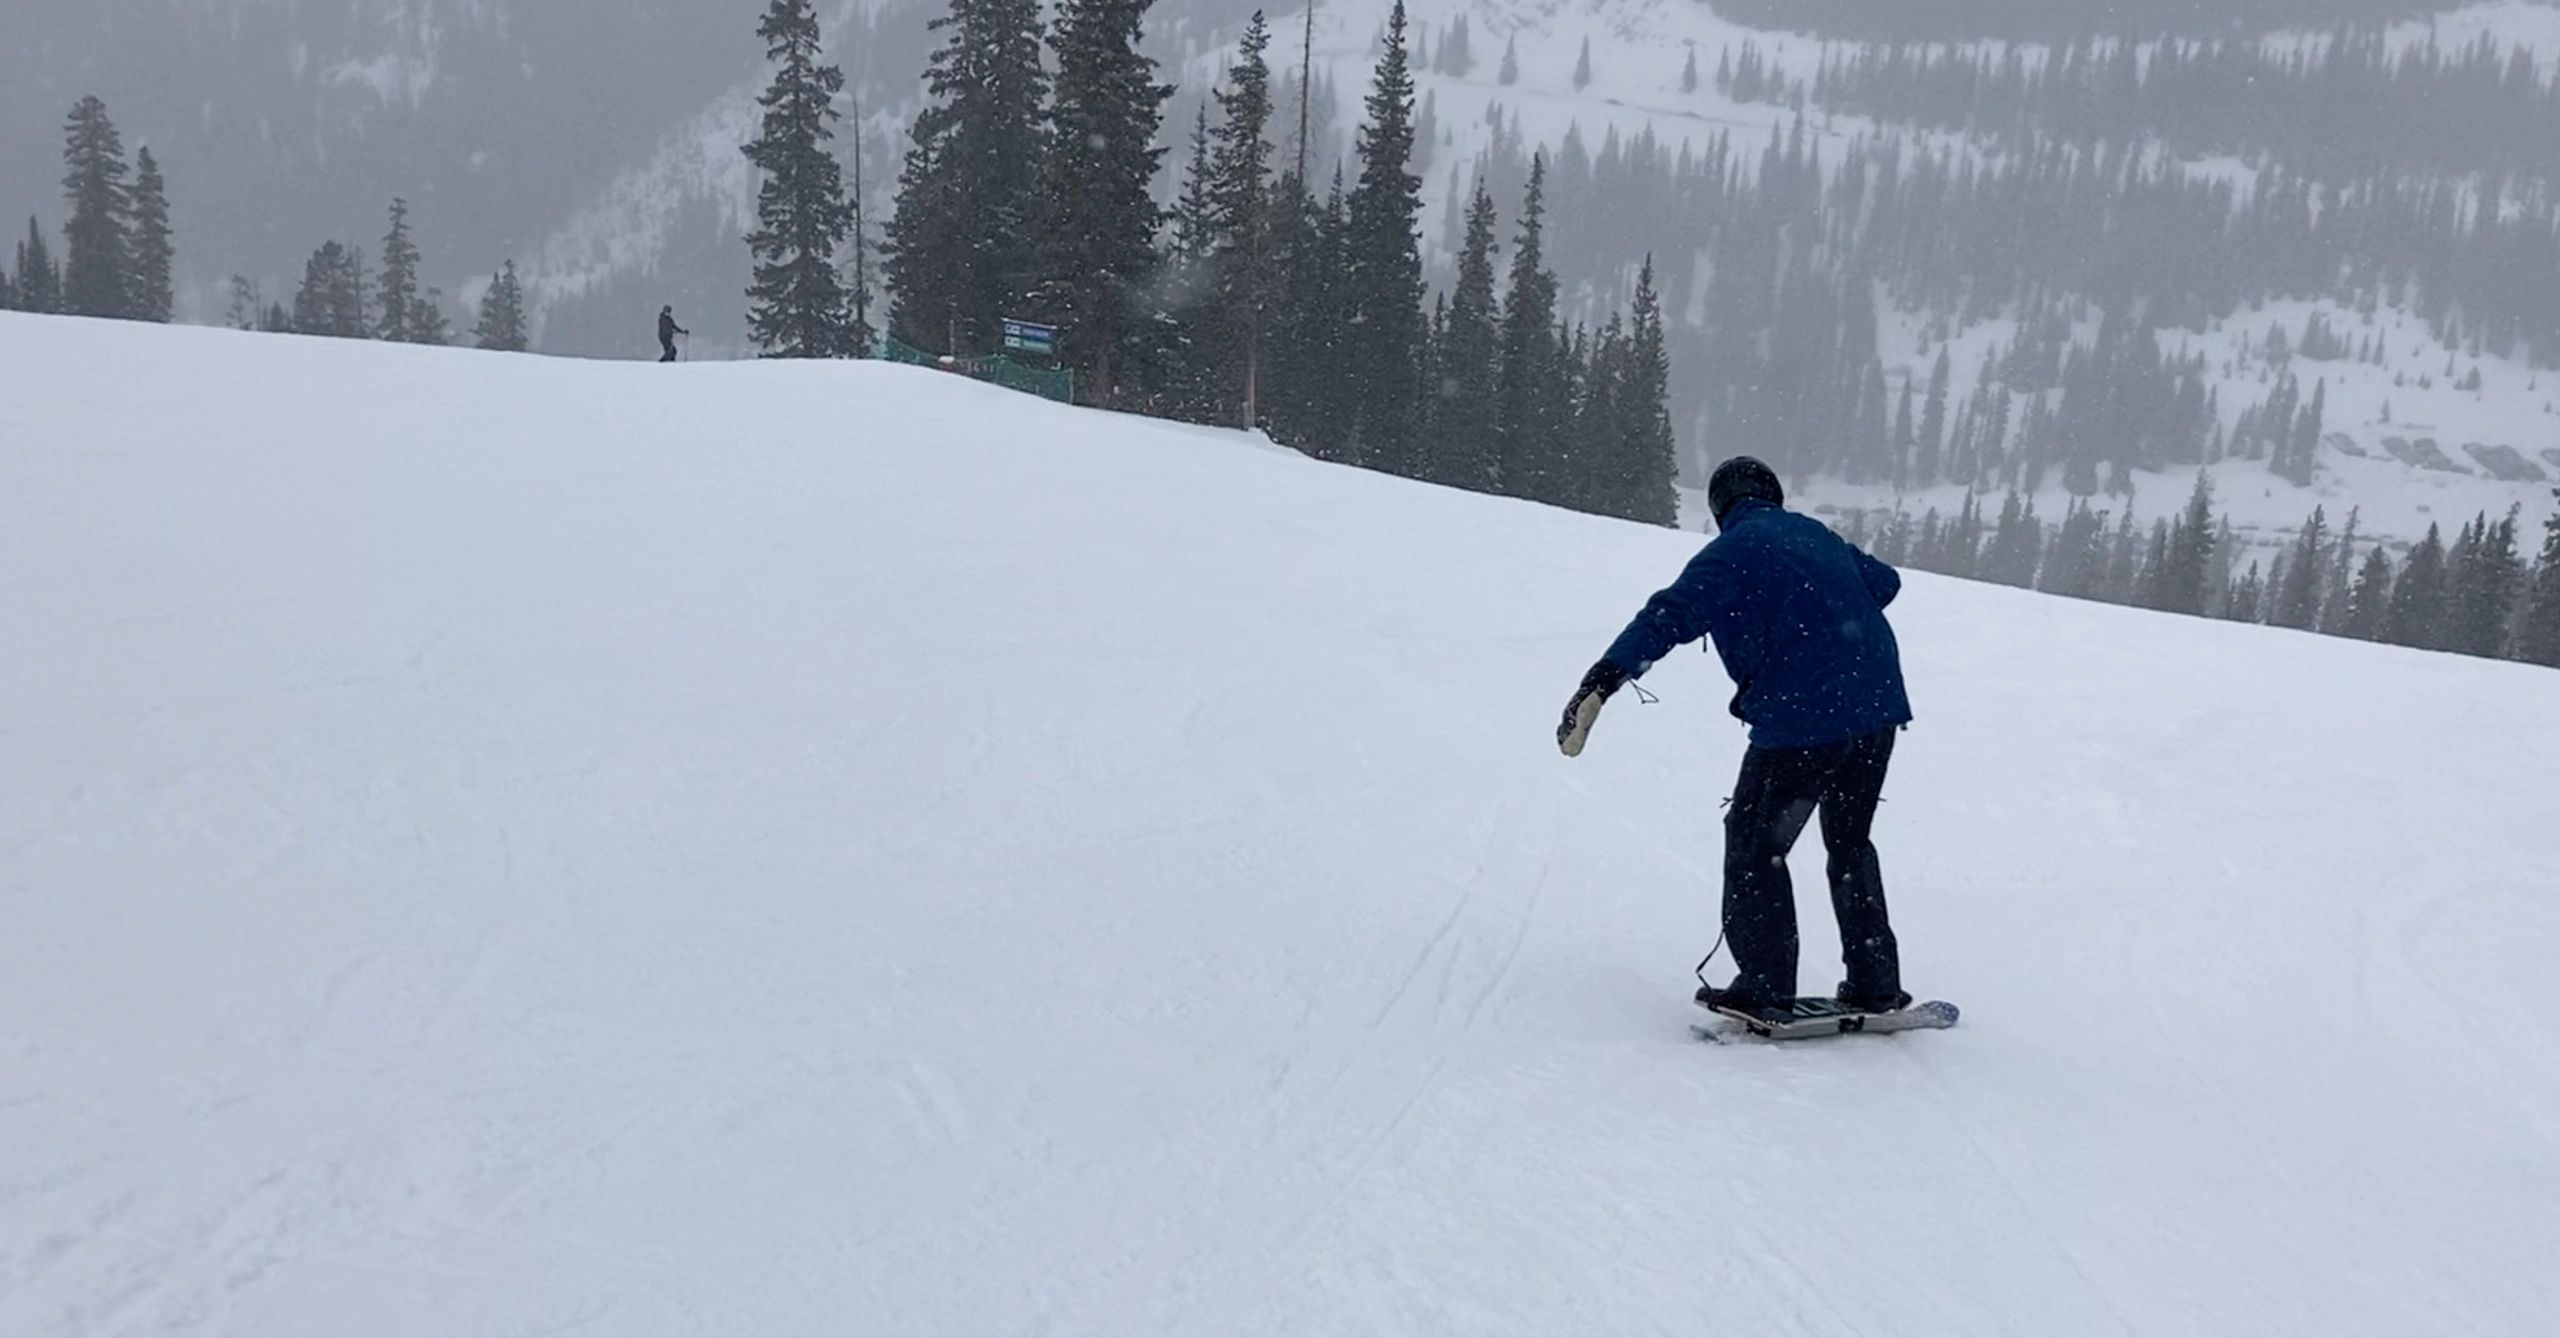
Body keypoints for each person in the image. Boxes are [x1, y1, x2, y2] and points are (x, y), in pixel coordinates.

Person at [1556, 456, 1915, 1025]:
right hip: (1878, 709)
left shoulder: (1734, 551)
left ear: (1721, 508)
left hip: (1803, 718)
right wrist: (1823, 602)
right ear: (1772, 494)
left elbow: (1666, 617)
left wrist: (1601, 681)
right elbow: (1885, 583)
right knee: (1849, 843)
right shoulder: (1812, 533)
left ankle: (1765, 987)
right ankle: (1877, 984)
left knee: (1755, 842)